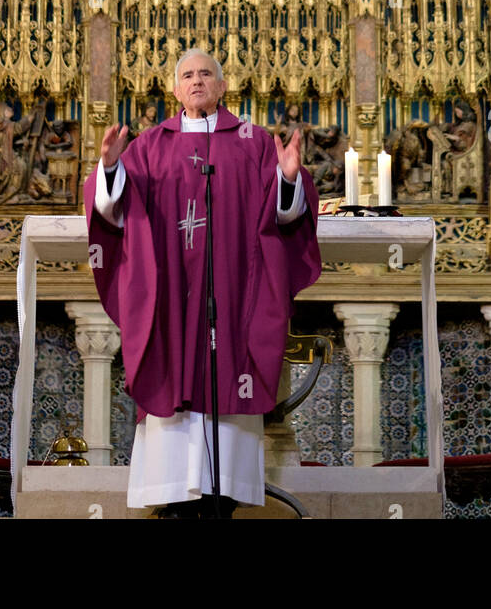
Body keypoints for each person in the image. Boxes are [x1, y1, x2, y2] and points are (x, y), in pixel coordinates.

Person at [83, 49, 321, 519]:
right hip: (171, 296)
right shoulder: (149, 147)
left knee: (229, 388)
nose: (197, 81)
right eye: (188, 75)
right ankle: (174, 505)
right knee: (173, 382)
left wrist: (289, 180)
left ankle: (222, 502)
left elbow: (283, 217)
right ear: (175, 89)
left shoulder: (253, 143)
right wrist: (109, 170)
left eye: (206, 74)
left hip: (231, 298)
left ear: (222, 85)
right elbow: (113, 211)